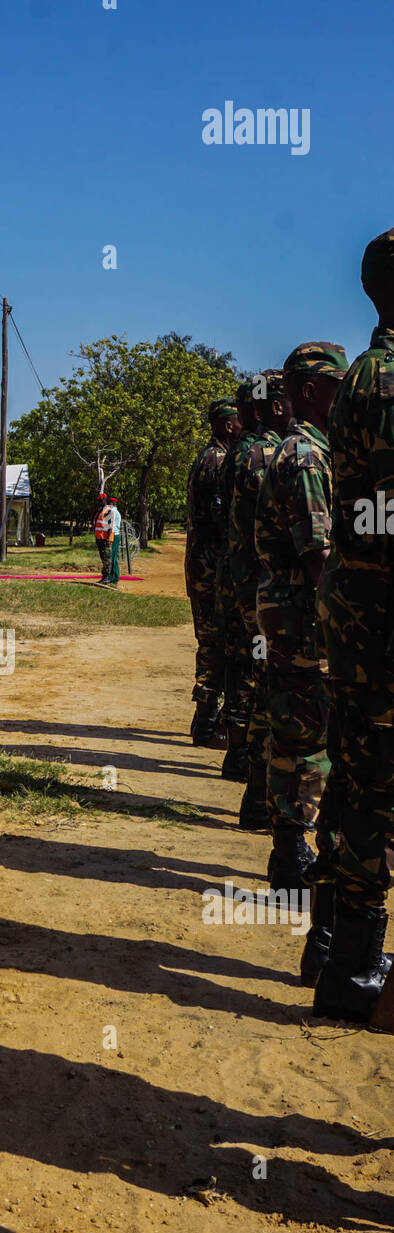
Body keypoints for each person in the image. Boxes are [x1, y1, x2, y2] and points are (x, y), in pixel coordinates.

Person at [313, 230, 394, 1022]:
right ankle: (356, 967)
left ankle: (345, 955)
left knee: (361, 778)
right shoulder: (389, 377)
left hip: (362, 614)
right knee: (374, 791)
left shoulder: (365, 373)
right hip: (382, 618)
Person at [255, 342, 348, 895]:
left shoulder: (306, 451)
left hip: (293, 616)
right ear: (311, 391)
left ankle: (290, 849)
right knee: (303, 736)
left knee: (296, 731)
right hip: (302, 619)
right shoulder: (307, 458)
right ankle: (291, 852)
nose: (346, 396)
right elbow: (318, 557)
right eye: (337, 386)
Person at [229, 369, 293, 830]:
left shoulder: (248, 452)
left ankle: (256, 789)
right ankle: (261, 795)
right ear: (275, 405)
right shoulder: (267, 453)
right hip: (271, 594)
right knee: (272, 692)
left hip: (254, 590)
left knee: (263, 686)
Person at [185, 399, 241, 746]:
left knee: (212, 643)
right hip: (210, 567)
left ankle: (206, 719)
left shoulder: (209, 456)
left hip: (203, 564)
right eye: (236, 421)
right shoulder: (216, 461)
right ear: (223, 425)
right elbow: (220, 520)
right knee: (213, 644)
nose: (240, 426)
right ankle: (205, 722)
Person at [216, 382, 260, 781]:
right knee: (251, 665)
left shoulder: (231, 456)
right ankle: (245, 753)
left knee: (237, 661)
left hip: (233, 574)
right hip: (253, 582)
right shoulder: (257, 454)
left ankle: (237, 747)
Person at [93, 493, 114, 583]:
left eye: (100, 501)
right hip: (99, 538)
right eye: (98, 501)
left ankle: (107, 577)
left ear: (104, 500)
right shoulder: (99, 511)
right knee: (103, 558)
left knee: (106, 559)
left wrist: (108, 539)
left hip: (105, 539)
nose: (99, 502)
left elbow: (110, 526)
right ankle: (104, 576)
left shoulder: (108, 511)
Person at [107, 496, 122, 586]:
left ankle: (115, 577)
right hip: (115, 535)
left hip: (114, 535)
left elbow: (112, 526)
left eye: (109, 503)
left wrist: (109, 538)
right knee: (113, 556)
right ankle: (113, 576)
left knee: (113, 557)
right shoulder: (116, 512)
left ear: (112, 504)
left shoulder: (113, 512)